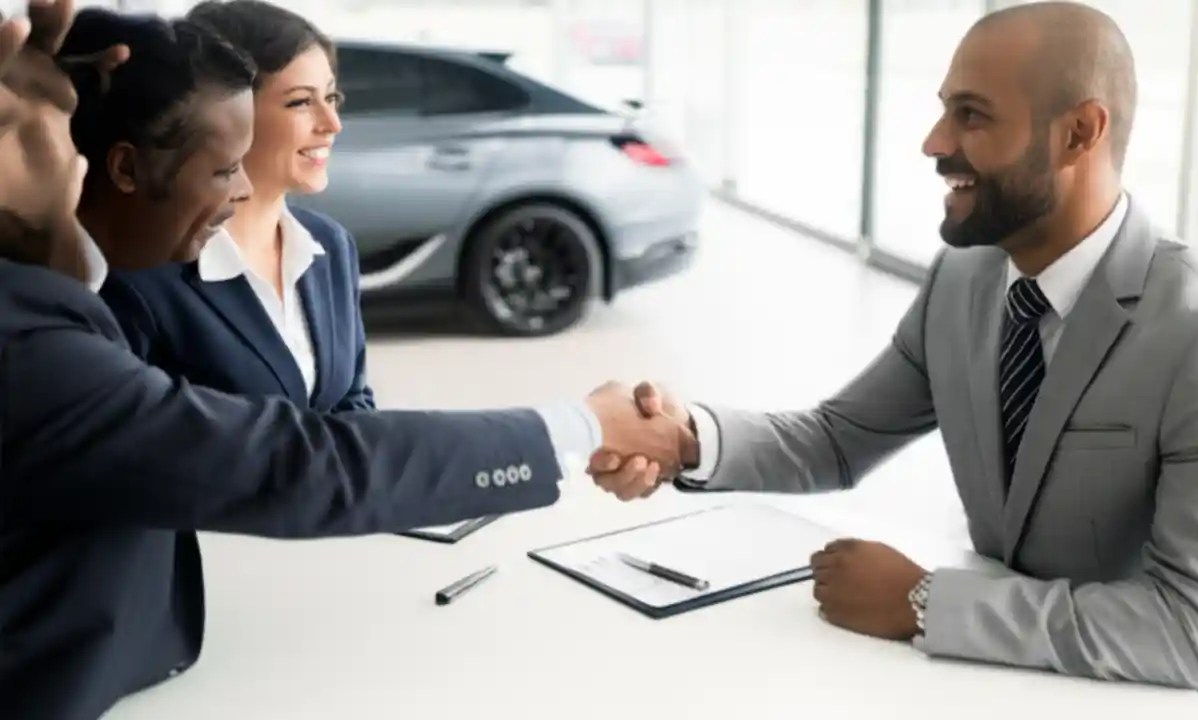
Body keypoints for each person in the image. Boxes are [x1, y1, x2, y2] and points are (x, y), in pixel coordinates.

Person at [590, 3, 1198, 718]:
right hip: (1007, 676)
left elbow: (1197, 630)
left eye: (972, 117)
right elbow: (837, 438)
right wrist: (685, 441)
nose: (933, 142)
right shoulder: (965, 281)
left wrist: (923, 603)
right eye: (944, 110)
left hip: (1166, 700)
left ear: (1079, 133)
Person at [0, 4, 686, 719]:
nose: (70, 157)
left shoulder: (71, 290)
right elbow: (292, 463)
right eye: (224, 166)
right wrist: (578, 428)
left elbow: (344, 425)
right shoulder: (36, 338)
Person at [96, 0, 372, 412]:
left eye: (332, 97)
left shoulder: (330, 245)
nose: (332, 124)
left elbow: (354, 403)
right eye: (300, 102)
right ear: (232, 110)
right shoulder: (146, 270)